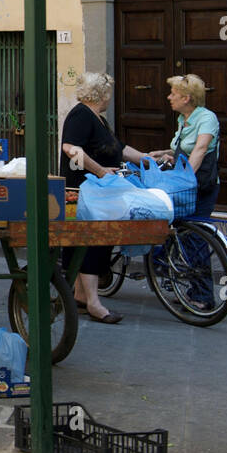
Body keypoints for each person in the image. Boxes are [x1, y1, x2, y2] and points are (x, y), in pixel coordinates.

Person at [59, 71, 155, 325]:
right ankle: (93, 302)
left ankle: (81, 296)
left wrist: (147, 159)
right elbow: (70, 149)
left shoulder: (98, 119)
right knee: (94, 241)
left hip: (98, 192)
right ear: (101, 94)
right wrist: (99, 171)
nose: (110, 98)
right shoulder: (81, 114)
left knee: (96, 241)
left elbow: (119, 148)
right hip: (83, 192)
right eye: (108, 92)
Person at [149, 74, 221, 217]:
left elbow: (200, 149)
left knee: (196, 231)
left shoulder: (207, 118)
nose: (169, 97)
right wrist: (165, 153)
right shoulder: (183, 118)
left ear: (186, 98)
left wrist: (183, 180)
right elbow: (184, 148)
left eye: (173, 94)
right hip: (187, 187)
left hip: (200, 184)